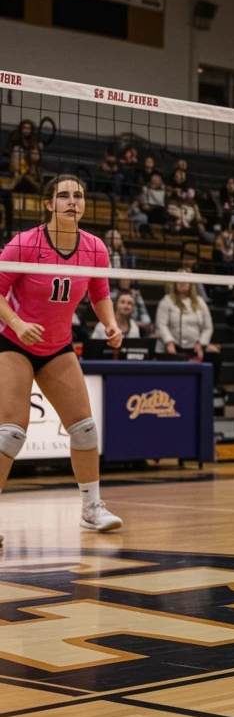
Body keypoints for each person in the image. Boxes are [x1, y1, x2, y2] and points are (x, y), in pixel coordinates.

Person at [0, 174, 123, 543]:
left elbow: (99, 293)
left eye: (79, 195)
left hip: (57, 346)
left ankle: (91, 508)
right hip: (12, 341)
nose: (73, 201)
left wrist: (111, 324)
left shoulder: (95, 249)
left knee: (84, 428)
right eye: (64, 195)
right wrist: (19, 324)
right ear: (49, 204)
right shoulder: (23, 244)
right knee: (10, 433)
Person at [155, 274, 221, 384]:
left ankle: (210, 389)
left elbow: (208, 327)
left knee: (215, 356)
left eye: (185, 281)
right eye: (179, 280)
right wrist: (169, 342)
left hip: (195, 347)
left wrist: (201, 343)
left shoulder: (200, 302)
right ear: (175, 283)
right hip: (174, 346)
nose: (182, 283)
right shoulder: (166, 301)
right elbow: (161, 325)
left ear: (191, 284)